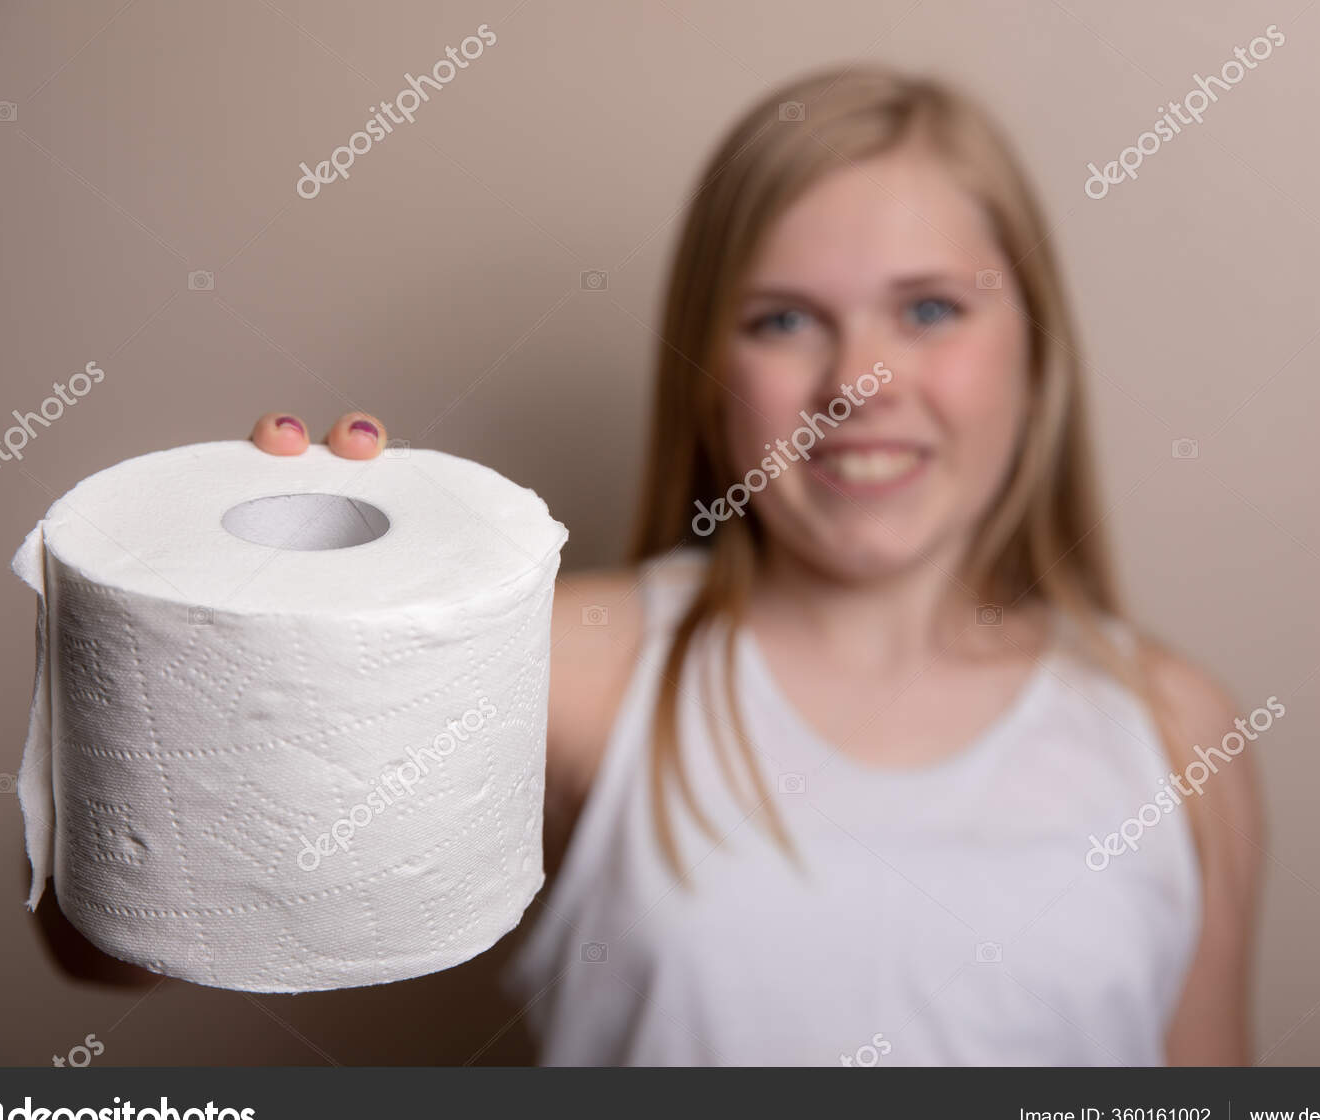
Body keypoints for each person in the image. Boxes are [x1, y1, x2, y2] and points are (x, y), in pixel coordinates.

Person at [246, 65, 1263, 1066]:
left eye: (929, 310)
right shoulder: (575, 673)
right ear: (707, 379)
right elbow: (180, 906)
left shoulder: (1176, 734)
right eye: (784, 319)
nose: (858, 382)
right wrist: (269, 597)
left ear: (1036, 354)